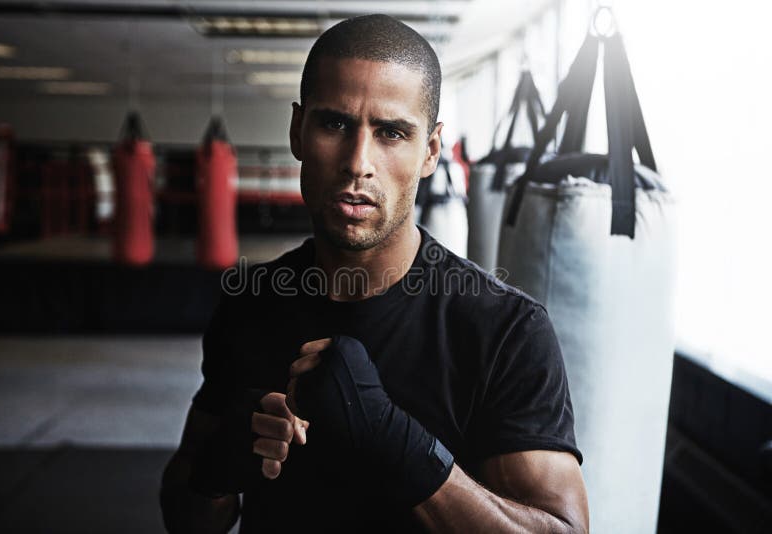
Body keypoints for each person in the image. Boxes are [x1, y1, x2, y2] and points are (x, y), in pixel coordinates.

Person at [160, 14, 588, 533]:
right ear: (298, 131)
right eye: (335, 124)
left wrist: (399, 445)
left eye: (391, 132)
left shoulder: (503, 330)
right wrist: (217, 469)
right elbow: (186, 519)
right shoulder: (250, 304)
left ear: (430, 151)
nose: (358, 161)